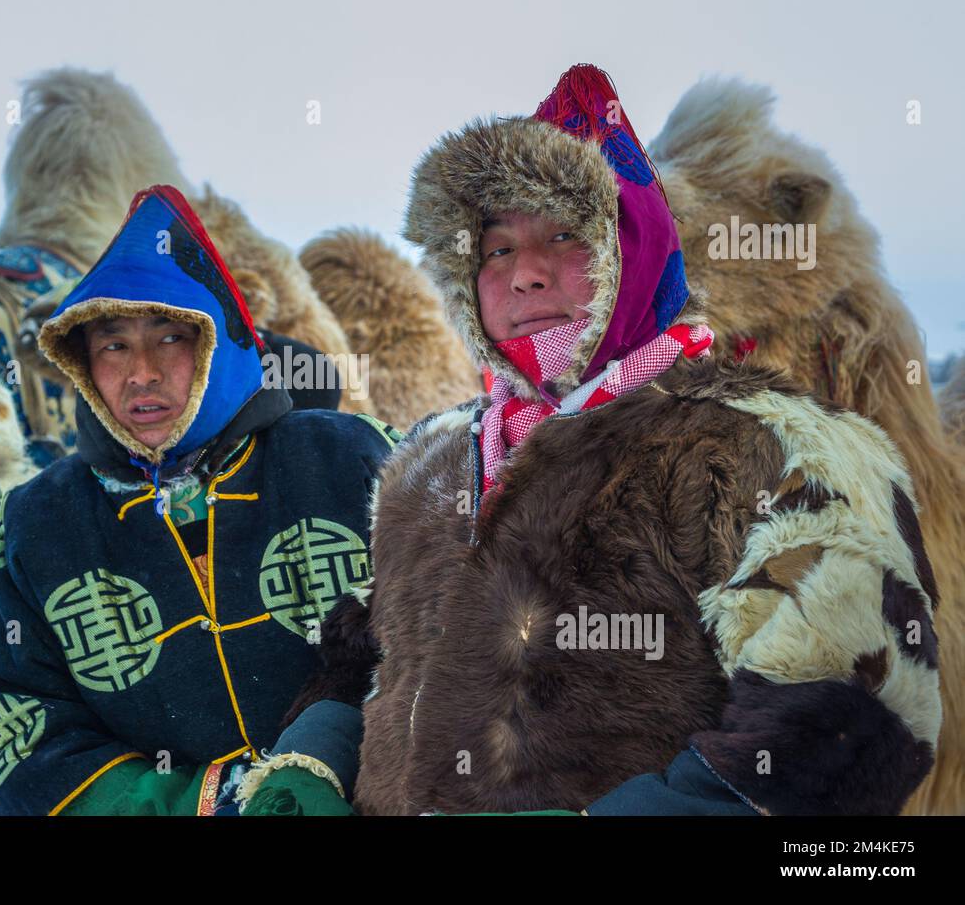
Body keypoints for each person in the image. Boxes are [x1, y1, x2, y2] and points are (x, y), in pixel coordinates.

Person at [347, 64, 940, 816]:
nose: (525, 272)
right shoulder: (429, 458)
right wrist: (311, 758)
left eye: (564, 236)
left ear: (632, 249)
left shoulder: (776, 446)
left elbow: (864, 704)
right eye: (496, 248)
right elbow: (359, 653)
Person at [0, 185, 398, 815]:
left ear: (221, 345)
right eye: (113, 344)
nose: (141, 373)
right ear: (80, 362)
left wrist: (331, 762)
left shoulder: (347, 458)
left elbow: (446, 642)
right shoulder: (36, 521)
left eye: (169, 337)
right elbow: (12, 722)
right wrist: (197, 803)